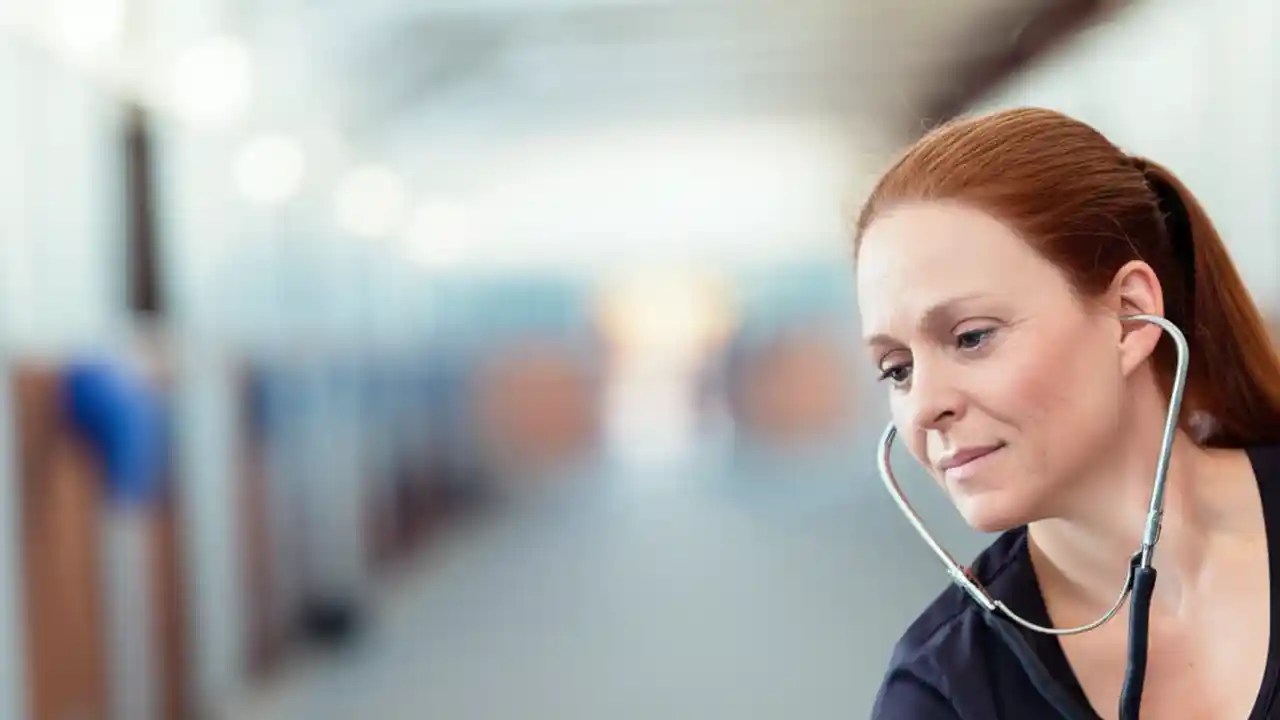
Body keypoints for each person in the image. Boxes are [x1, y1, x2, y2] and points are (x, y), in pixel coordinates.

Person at [855, 107, 1280, 719]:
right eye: (898, 369)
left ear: (1130, 317)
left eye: (972, 337)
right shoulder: (943, 695)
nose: (923, 406)